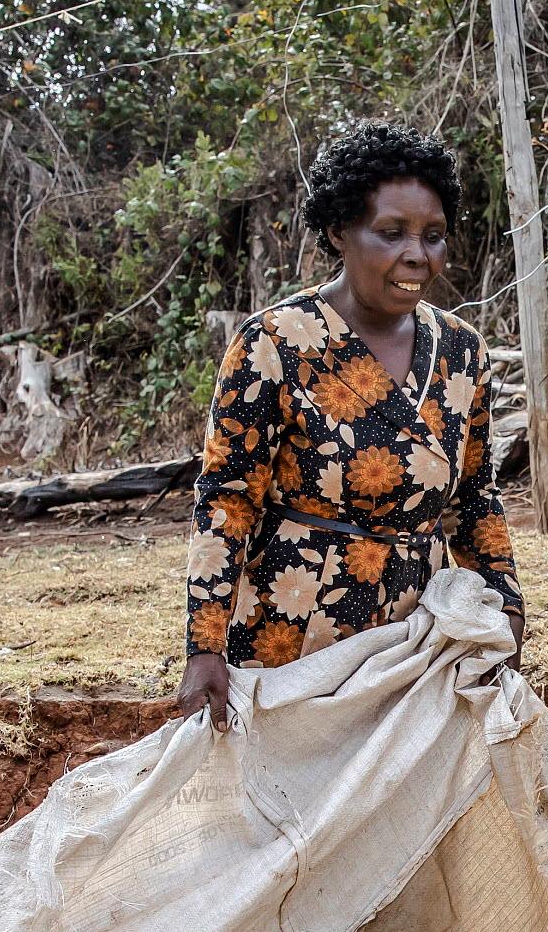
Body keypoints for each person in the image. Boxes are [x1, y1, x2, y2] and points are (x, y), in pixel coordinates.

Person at [174, 120, 524, 731]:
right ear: (340, 232)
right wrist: (203, 648)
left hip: (414, 635)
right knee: (292, 815)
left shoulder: (460, 350)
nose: (418, 254)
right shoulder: (277, 342)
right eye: (391, 233)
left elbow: (473, 496)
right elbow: (227, 500)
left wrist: (506, 603)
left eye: (434, 236)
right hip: (293, 633)